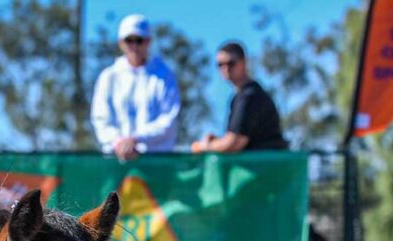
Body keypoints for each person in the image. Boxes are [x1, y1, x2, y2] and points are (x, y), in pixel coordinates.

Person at [91, 15, 181, 162]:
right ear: (121, 43)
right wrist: (118, 142)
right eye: (129, 40)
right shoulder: (108, 76)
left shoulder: (164, 76)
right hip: (116, 161)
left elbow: (168, 118)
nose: (134, 46)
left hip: (155, 163)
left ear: (148, 42)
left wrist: (136, 139)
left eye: (139, 40)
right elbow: (100, 118)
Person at [191, 41, 286, 154]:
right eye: (220, 64)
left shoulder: (249, 95)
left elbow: (235, 142)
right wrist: (219, 142)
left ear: (244, 62)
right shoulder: (242, 95)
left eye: (231, 63)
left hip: (263, 168)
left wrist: (204, 147)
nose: (226, 69)